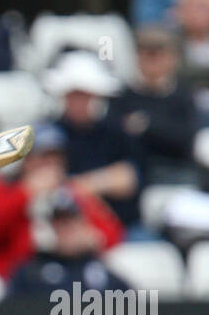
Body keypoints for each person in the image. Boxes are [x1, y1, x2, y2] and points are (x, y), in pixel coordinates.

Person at [0, 123, 125, 282]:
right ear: (26, 159)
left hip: (63, 276)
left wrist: (88, 238)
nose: (50, 163)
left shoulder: (70, 191)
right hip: (14, 282)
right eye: (43, 156)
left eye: (56, 156)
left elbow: (111, 233)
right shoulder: (3, 187)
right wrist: (26, 192)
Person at [47, 51, 146, 229]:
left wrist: (82, 185)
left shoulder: (116, 131)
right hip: (63, 227)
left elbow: (128, 179)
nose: (80, 102)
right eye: (74, 95)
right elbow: (42, 181)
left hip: (121, 224)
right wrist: (103, 180)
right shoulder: (50, 132)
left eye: (85, 95)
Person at [111, 25, 199, 186]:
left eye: (159, 55)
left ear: (173, 58)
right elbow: (115, 139)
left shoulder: (184, 97)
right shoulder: (123, 97)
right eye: (147, 54)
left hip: (177, 174)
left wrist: (147, 125)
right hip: (136, 177)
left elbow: (185, 141)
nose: (153, 61)